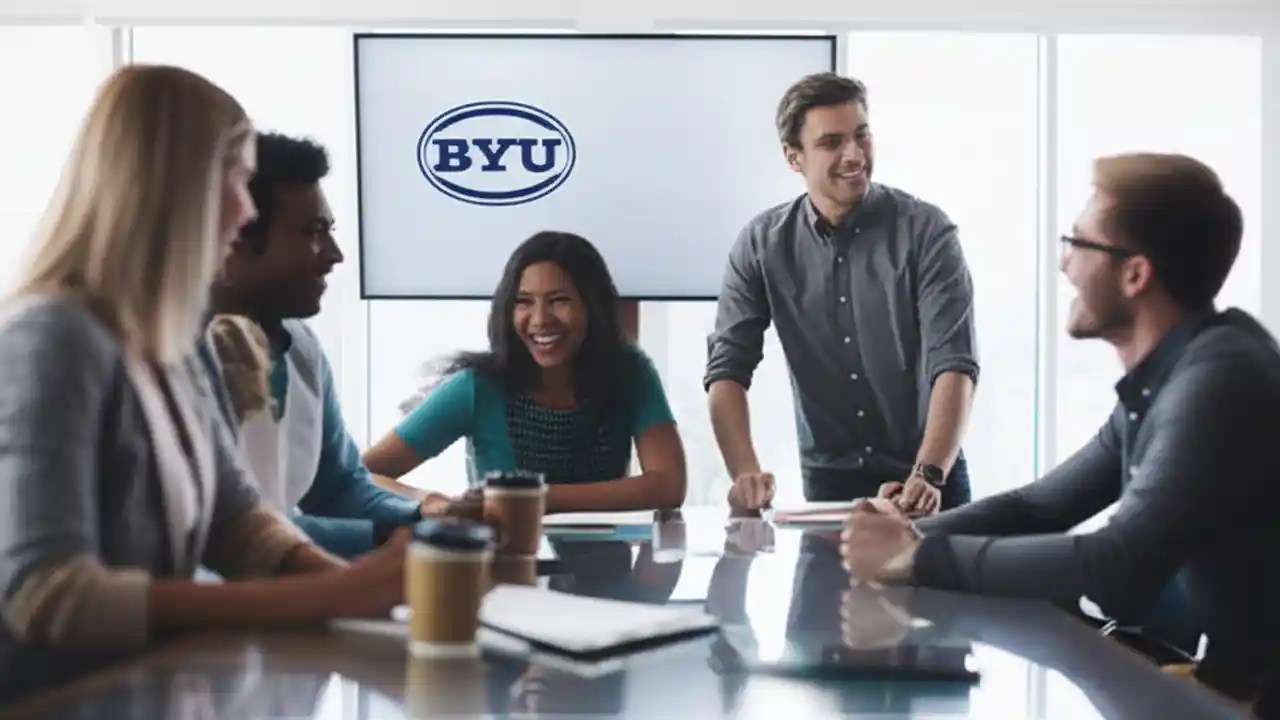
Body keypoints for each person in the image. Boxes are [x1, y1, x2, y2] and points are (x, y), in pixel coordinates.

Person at [0, 66, 405, 701]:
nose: (246, 210)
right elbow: (47, 595)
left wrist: (375, 597)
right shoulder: (52, 336)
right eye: (240, 181)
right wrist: (335, 593)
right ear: (177, 188)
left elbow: (238, 521)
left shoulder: (175, 343)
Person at [841, 153, 1280, 706]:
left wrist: (913, 559)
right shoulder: (1174, 376)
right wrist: (908, 536)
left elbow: (1117, 564)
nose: (1064, 264)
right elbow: (1037, 508)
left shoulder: (1219, 380)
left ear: (1135, 273)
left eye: (1078, 243)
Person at [705, 72, 978, 518]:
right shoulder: (760, 245)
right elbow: (726, 372)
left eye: (862, 136)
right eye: (832, 142)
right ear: (794, 158)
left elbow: (955, 362)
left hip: (927, 473)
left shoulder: (928, 232)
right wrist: (745, 473)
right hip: (829, 482)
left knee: (941, 590)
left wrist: (929, 472)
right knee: (826, 591)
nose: (854, 155)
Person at [203, 133, 424, 557]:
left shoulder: (302, 348)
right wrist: (390, 536)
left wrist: (427, 519)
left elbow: (339, 489)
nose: (335, 255)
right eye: (315, 232)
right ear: (237, 238)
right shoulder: (179, 357)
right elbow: (228, 529)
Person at [363, 231, 686, 514]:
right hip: (504, 568)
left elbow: (668, 486)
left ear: (593, 306)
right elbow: (359, 474)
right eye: (523, 302)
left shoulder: (629, 371)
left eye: (559, 300)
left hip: (607, 571)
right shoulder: (477, 387)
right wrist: (431, 501)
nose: (540, 319)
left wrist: (539, 497)